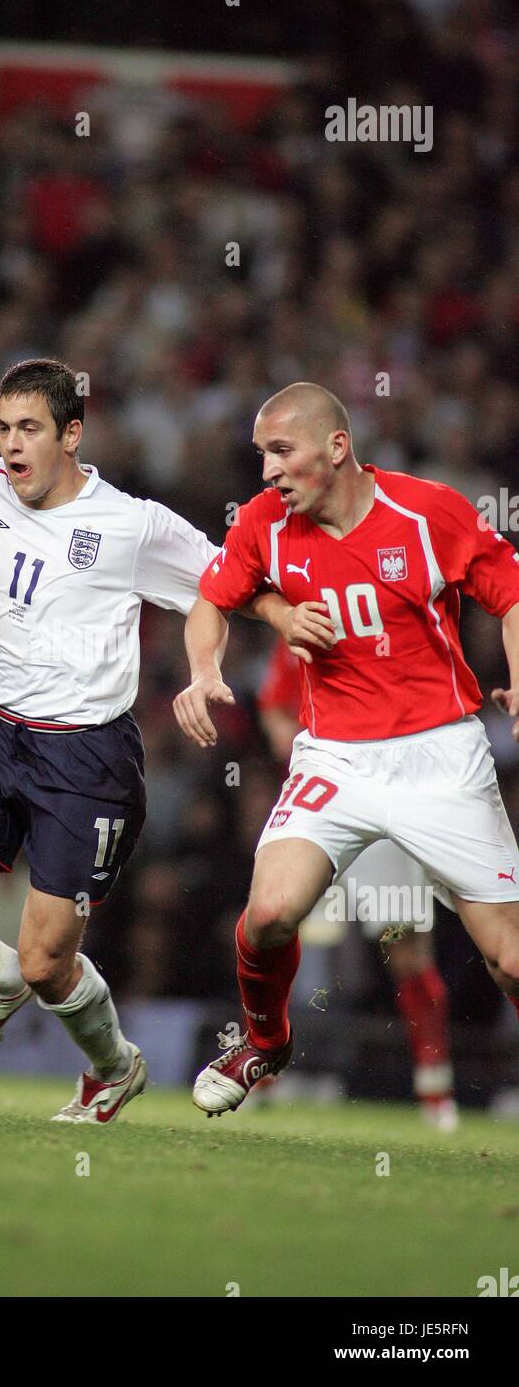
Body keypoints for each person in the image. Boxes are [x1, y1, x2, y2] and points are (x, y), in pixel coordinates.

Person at [0, 357, 230, 1123]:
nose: (11, 446)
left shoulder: (130, 524)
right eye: (2, 429)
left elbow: (219, 585)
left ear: (72, 434)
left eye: (29, 429)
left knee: (49, 963)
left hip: (88, 762)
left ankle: (112, 1068)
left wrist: (203, 670)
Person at [173, 381, 519, 1116]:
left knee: (508, 959)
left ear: (336, 447)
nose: (265, 472)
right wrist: (204, 671)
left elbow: (510, 593)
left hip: (440, 755)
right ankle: (264, 1042)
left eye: (280, 451)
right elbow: (212, 598)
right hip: (335, 755)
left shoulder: (425, 512)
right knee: (267, 912)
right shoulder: (264, 523)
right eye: (260, 453)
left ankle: (441, 1094)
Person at [257, 637, 457, 1130]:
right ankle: (264, 1071)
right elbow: (274, 705)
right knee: (274, 926)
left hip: (386, 806)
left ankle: (436, 1088)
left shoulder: (392, 622)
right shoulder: (304, 629)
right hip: (318, 808)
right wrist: (288, 740)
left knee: (406, 949)